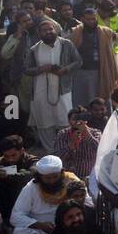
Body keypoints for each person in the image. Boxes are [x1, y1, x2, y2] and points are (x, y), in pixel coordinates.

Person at [9, 155, 86, 234]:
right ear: (39, 177)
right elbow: (15, 216)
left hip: (71, 225)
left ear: (62, 172)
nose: (52, 181)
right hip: (44, 231)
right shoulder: (31, 188)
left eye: (55, 176)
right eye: (48, 178)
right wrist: (40, 225)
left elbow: (89, 203)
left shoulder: (72, 181)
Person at [27, 19, 82, 153]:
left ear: (55, 30)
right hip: (41, 90)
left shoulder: (66, 44)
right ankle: (51, 152)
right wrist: (42, 69)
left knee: (65, 120)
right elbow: (27, 69)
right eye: (44, 30)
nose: (48, 32)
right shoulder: (34, 49)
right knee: (44, 122)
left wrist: (65, 70)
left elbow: (78, 61)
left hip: (62, 90)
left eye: (50, 29)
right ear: (39, 33)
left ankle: (67, 151)